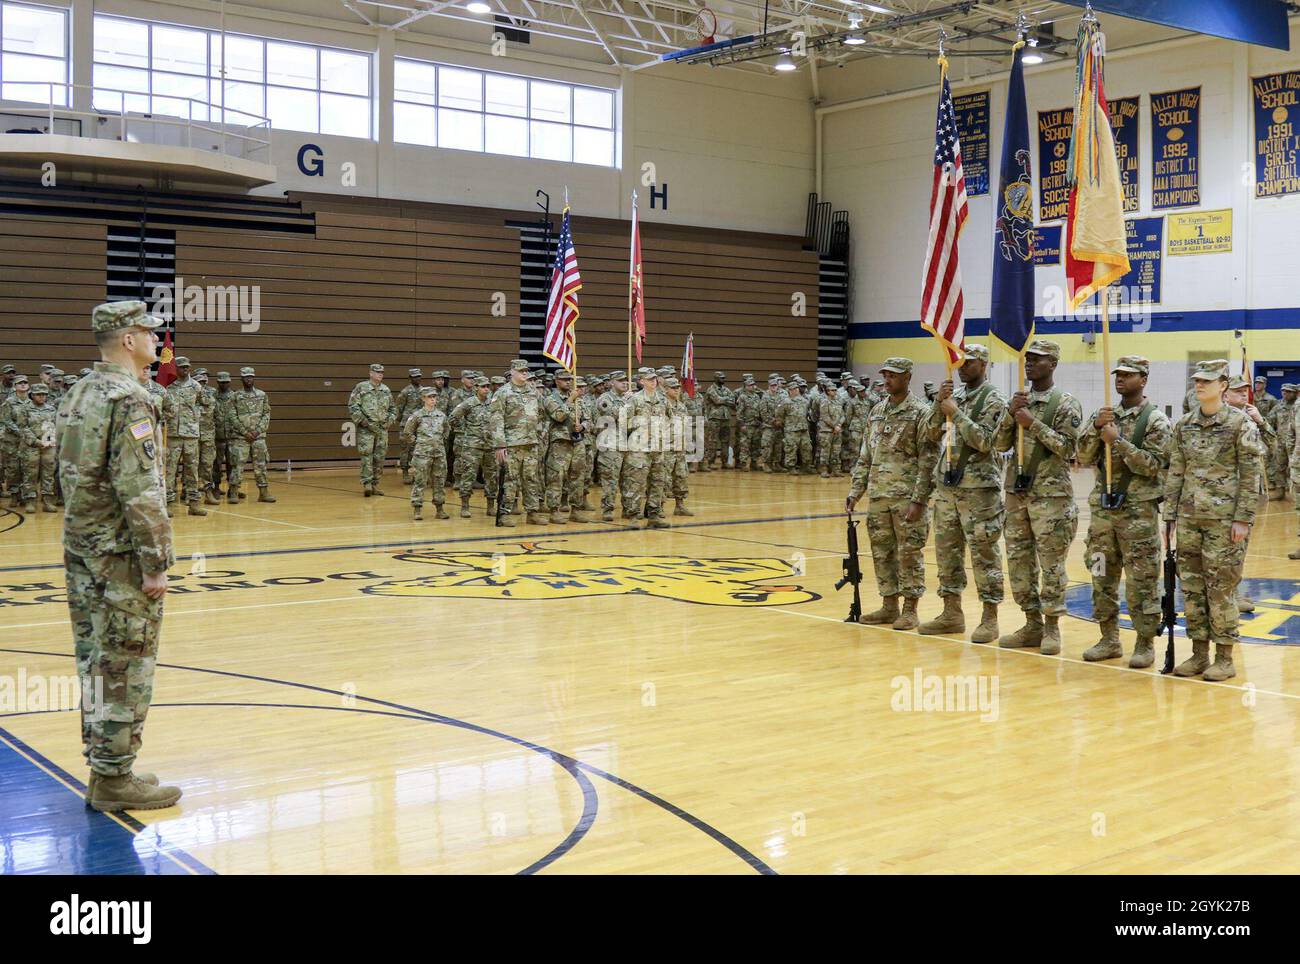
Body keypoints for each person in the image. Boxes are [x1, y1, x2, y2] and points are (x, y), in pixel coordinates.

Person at [57, 300, 180, 812]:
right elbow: (140, 490)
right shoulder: (129, 398)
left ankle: (103, 768)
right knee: (125, 663)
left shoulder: (79, 391)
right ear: (127, 341)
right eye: (148, 333)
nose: (156, 340)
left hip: (82, 546)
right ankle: (114, 779)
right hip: (120, 556)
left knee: (95, 659)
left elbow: (65, 474)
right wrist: (156, 562)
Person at [1164, 359, 1261, 681]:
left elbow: (1250, 475)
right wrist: (1170, 517)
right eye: (1197, 380)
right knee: (1191, 588)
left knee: (1221, 590)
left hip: (1225, 521)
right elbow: (1176, 471)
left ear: (1223, 385)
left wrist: (1243, 519)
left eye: (1207, 381)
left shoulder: (1239, 424)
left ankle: (1224, 657)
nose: (1200, 385)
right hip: (1190, 519)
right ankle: (1199, 653)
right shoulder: (1184, 425)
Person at [1076, 355, 1171, 667]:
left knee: (1141, 580)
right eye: (1118, 374)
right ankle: (1108, 637)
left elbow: (1156, 466)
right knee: (1101, 573)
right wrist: (1095, 427)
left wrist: (1118, 442)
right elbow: (1082, 456)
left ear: (1143, 380)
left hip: (1137, 515)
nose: (1120, 379)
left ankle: (1145, 642)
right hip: (1104, 514)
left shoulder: (1155, 420)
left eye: (1128, 375)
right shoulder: (1105, 415)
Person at [991, 338, 1082, 656]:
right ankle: (1031, 623)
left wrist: (1033, 423)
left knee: (1052, 565)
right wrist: (1010, 413)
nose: (1030, 363)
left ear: (1053, 363)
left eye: (1038, 359)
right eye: (1027, 358)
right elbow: (999, 444)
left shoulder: (1065, 403)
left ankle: (1052, 627)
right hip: (1017, 494)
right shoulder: (1019, 400)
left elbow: (1071, 449)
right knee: (1018, 563)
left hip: (1051, 496)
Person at [922, 343, 1006, 642]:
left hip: (979, 490)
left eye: (969, 362)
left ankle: (990, 616)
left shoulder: (994, 399)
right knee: (947, 552)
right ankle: (951, 612)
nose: (962, 367)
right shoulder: (952, 397)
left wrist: (955, 413)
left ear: (984, 365)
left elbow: (985, 441)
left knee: (984, 553)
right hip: (948, 487)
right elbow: (930, 435)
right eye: (959, 362)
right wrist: (938, 405)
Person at [845, 357, 937, 631]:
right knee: (882, 553)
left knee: (909, 554)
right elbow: (866, 456)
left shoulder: (921, 412)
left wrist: (919, 500)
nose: (887, 381)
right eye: (885, 376)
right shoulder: (876, 411)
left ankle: (910, 610)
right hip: (879, 497)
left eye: (893, 376)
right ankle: (889, 606)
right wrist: (855, 491)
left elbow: (929, 460)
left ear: (908, 377)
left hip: (906, 499)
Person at [490, 359, 546, 527]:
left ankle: (532, 512)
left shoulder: (533, 392)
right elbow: (496, 419)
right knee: (510, 479)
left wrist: (540, 433)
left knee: (531, 478)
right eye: (521, 370)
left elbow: (541, 413)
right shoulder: (503, 393)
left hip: (530, 442)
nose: (524, 373)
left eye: (526, 370)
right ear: (512, 372)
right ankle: (504, 513)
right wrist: (500, 445)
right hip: (511, 444)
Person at [622, 367, 670, 528]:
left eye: (654, 378)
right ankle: (634, 515)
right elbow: (624, 423)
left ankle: (654, 515)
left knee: (657, 482)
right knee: (636, 483)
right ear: (641, 381)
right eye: (649, 379)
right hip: (639, 449)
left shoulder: (662, 399)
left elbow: (669, 418)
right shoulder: (634, 399)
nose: (653, 381)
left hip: (658, 447)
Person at [541, 370, 590, 523]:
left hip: (577, 442)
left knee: (578, 477)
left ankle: (576, 509)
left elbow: (588, 419)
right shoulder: (550, 399)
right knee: (556, 477)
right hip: (560, 443)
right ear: (556, 381)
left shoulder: (579, 400)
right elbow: (559, 416)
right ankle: (554, 510)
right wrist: (570, 399)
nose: (568, 382)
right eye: (563, 379)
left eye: (569, 379)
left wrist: (582, 426)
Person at [162, 356, 207, 517]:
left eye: (187, 367)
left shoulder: (196, 387)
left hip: (191, 435)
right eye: (182, 367)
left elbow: (206, 404)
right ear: (176, 369)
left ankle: (194, 504)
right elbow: (164, 408)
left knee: (192, 471)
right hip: (173, 434)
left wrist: (196, 417)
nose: (185, 369)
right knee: (170, 470)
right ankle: (166, 504)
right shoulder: (170, 388)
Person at [449, 375, 497, 517]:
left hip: (490, 445)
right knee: (468, 475)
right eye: (483, 386)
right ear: (476, 388)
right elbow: (452, 418)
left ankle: (490, 506)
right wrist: (466, 430)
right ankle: (465, 506)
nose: (486, 389)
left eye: (488, 386)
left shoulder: (493, 402)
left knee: (491, 476)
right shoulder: (469, 403)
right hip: (472, 446)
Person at [227, 367, 275, 504]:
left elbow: (266, 414)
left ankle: (264, 492)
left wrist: (257, 431)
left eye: (251, 376)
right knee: (237, 466)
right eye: (246, 377)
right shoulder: (235, 396)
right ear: (241, 379)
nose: (249, 379)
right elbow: (231, 416)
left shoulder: (262, 395)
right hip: (240, 438)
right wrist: (244, 432)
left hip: (258, 437)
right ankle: (234, 491)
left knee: (261, 465)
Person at [349, 363, 396, 497]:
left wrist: (390, 421)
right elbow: (353, 406)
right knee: (366, 456)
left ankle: (375, 484)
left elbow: (393, 409)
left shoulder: (386, 390)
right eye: (377, 372)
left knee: (379, 458)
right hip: (366, 429)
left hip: (382, 430)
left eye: (382, 372)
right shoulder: (361, 388)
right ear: (370, 373)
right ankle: (367, 484)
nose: (380, 374)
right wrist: (362, 421)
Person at [403, 386, 449, 521]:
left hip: (439, 454)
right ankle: (417, 509)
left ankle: (440, 509)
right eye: (430, 397)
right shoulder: (417, 415)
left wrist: (438, 442)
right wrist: (419, 443)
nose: (433, 399)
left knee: (439, 481)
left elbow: (446, 431)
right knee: (420, 481)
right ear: (423, 398)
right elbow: (407, 432)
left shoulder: (441, 415)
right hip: (422, 454)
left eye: (434, 397)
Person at [595, 370, 629, 522]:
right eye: (620, 380)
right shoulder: (605, 398)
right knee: (610, 480)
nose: (625, 383)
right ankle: (608, 509)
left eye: (626, 380)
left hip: (627, 444)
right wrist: (627, 403)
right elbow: (612, 415)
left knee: (628, 480)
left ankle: (629, 509)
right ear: (611, 383)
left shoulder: (629, 398)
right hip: (610, 444)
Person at [18, 383, 57, 513]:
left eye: (44, 394)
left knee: (48, 473)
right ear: (32, 395)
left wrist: (50, 440)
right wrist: (36, 441)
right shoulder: (24, 409)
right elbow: (23, 427)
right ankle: (30, 500)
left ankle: (47, 501)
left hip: (48, 446)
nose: (42, 397)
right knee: (30, 473)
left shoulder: (51, 409)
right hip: (31, 446)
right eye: (39, 394)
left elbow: (53, 426)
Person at [662, 375, 694, 516]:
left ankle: (679, 505)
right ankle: (659, 507)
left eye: (678, 388)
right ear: (666, 389)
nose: (676, 390)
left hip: (679, 447)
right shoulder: (661, 405)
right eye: (673, 388)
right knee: (664, 479)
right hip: (666, 447)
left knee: (681, 476)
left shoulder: (681, 406)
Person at [0, 373, 29, 507]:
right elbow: (6, 420)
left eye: (25, 382)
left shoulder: (31, 401)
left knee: (26, 467)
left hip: (27, 441)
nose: (23, 384)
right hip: (12, 441)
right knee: (13, 468)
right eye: (20, 383)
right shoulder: (9, 402)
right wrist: (19, 432)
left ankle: (23, 494)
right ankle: (14, 494)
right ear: (15, 386)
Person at [394, 368, 424, 485]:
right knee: (405, 449)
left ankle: (417, 473)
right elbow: (398, 409)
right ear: (410, 378)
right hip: (407, 424)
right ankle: (405, 473)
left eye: (419, 376)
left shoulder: (423, 391)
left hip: (420, 424)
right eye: (415, 377)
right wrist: (404, 422)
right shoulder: (405, 392)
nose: (418, 378)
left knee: (418, 450)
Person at [779, 377, 813, 474]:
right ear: (789, 391)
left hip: (803, 428)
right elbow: (779, 416)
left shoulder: (805, 401)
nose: (795, 391)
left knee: (807, 448)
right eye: (792, 389)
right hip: (791, 429)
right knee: (791, 448)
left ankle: (806, 466)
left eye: (796, 389)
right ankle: (791, 467)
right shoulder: (785, 402)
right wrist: (786, 426)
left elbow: (807, 414)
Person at [703, 371, 735, 470]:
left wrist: (723, 400)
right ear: (716, 379)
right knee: (713, 441)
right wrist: (725, 400)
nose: (723, 380)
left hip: (726, 418)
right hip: (714, 418)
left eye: (724, 378)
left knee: (726, 441)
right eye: (721, 378)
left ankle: (725, 462)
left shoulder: (726, 389)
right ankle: (711, 462)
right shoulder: (711, 389)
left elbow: (733, 401)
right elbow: (717, 400)